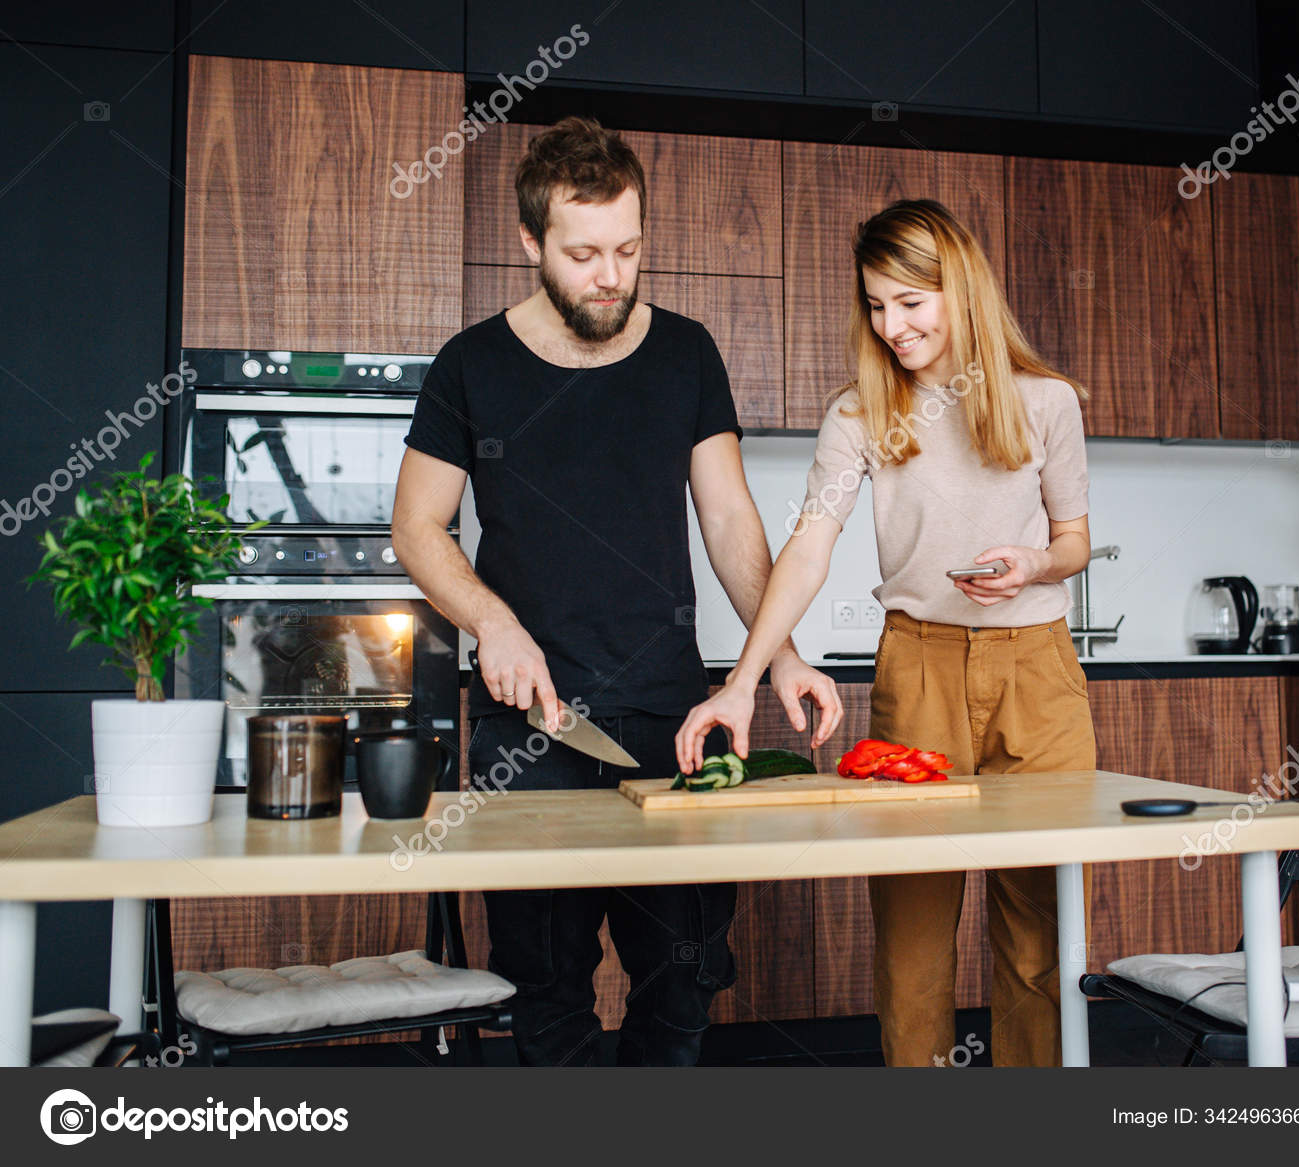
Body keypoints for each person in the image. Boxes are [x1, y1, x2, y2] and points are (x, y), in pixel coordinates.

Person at [393, 116, 840, 1066]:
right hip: (531, 729)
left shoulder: (686, 354)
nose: (611, 274)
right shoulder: (471, 365)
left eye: (629, 250)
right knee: (544, 991)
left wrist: (785, 653)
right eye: (585, 253)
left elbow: (730, 525)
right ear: (532, 245)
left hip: (669, 721)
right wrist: (493, 623)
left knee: (684, 980)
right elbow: (416, 527)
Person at [675, 198, 1097, 1067]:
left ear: (962, 289)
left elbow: (1075, 542)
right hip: (920, 666)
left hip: (1038, 672)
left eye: (910, 302)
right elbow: (807, 547)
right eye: (875, 305)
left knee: (1036, 939)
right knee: (911, 936)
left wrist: (1033, 563)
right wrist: (741, 678)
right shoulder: (861, 416)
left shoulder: (1046, 401)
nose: (891, 326)